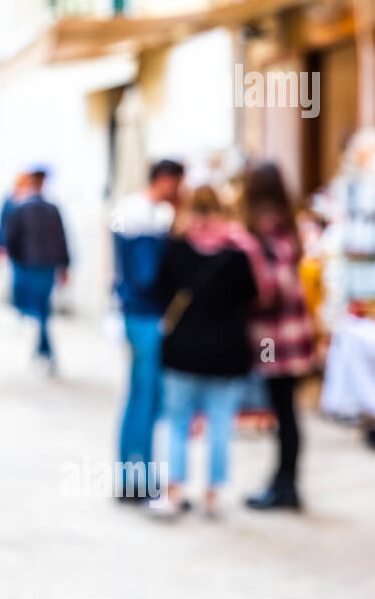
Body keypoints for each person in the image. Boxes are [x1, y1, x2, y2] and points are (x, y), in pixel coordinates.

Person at [152, 186, 260, 518]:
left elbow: (158, 293)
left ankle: (173, 492)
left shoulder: (176, 249)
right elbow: (253, 297)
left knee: (178, 422)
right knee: (219, 426)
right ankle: (212, 496)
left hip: (182, 350)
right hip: (226, 353)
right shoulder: (237, 254)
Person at [110, 158, 184, 502]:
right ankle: (134, 476)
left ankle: (134, 472)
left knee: (142, 396)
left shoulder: (136, 211)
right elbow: (146, 275)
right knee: (145, 396)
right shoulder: (143, 216)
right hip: (145, 315)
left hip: (137, 314)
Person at [243, 162, 314, 511]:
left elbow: (274, 285)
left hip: (277, 337)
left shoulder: (268, 228)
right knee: (285, 410)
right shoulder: (288, 224)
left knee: (283, 410)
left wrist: (246, 294)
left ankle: (286, 484)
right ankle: (283, 480)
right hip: (291, 333)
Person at [4, 168, 69, 370]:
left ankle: (44, 349)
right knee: (42, 307)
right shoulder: (50, 209)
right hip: (45, 264)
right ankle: (44, 350)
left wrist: (17, 260)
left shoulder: (20, 209)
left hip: (31, 264)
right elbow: (62, 238)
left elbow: (11, 240)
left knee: (41, 309)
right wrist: (64, 265)